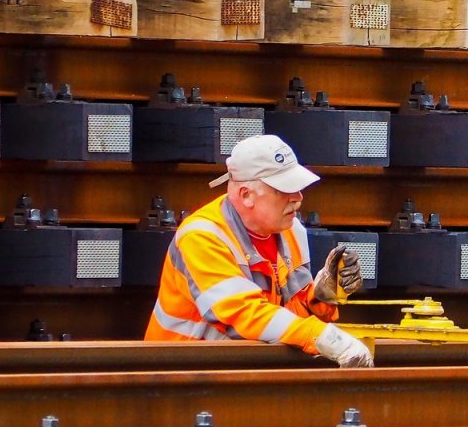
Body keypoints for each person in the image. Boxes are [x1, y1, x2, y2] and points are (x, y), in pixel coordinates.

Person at [145, 134, 373, 368]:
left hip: (236, 371)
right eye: (284, 189)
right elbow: (244, 315)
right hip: (180, 376)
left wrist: (319, 297)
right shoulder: (202, 237)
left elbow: (285, 317)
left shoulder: (291, 229)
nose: (298, 198)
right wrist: (326, 338)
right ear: (246, 195)